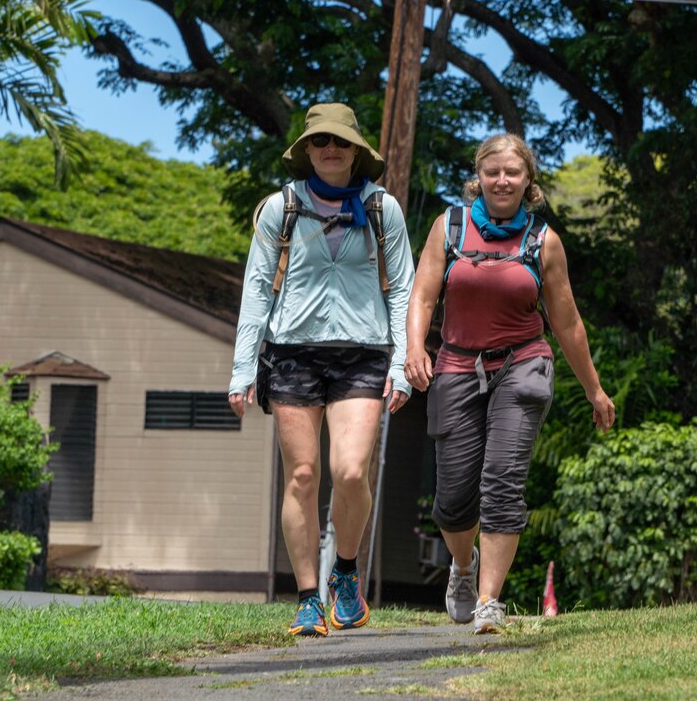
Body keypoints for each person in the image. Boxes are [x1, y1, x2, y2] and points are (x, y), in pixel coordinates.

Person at [405, 133, 616, 633]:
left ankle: (488, 602)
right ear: (478, 177)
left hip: (523, 364)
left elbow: (567, 322)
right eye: (493, 171)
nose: (502, 180)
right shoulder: (449, 227)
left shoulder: (544, 241)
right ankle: (463, 567)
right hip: (457, 365)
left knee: (502, 481)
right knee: (454, 498)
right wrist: (414, 348)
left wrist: (594, 389)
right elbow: (422, 296)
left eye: (512, 172)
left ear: (528, 181)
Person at [228, 103, 415, 635]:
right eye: (320, 141)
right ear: (306, 150)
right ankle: (309, 598)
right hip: (292, 353)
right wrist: (242, 369)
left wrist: (402, 364)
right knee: (303, 475)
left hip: (362, 351)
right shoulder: (280, 208)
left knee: (351, 471)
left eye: (340, 141)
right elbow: (257, 290)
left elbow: (402, 290)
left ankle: (346, 574)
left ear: (356, 151)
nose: (330, 149)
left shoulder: (382, 208)